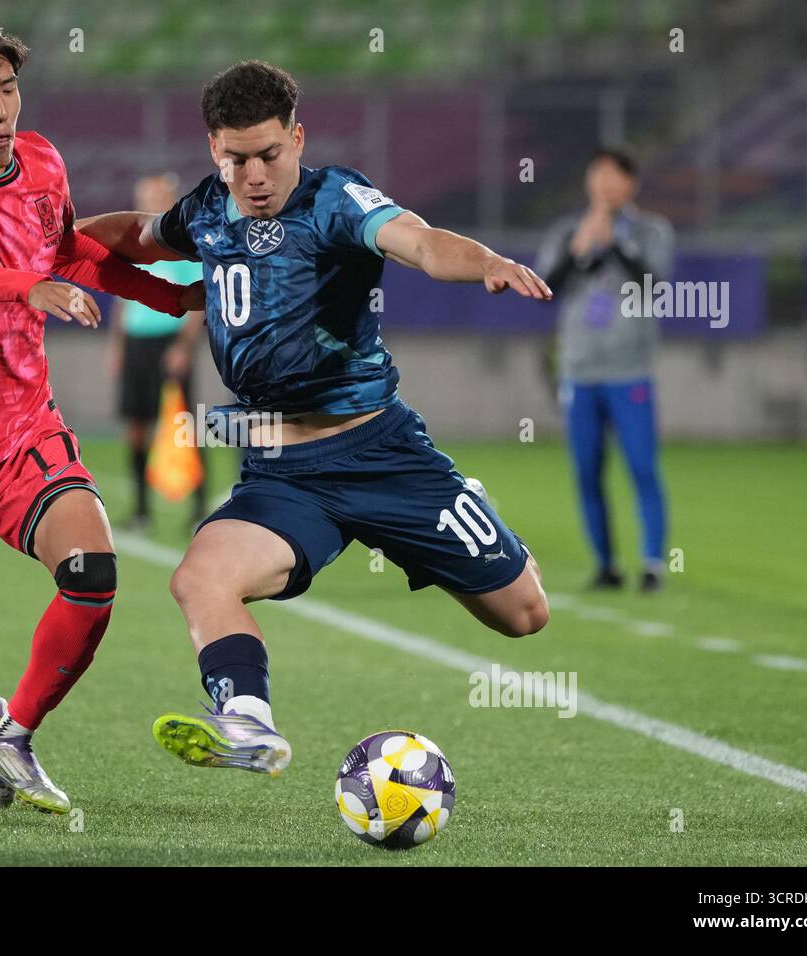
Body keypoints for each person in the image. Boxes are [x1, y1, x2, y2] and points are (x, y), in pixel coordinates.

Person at [79, 60, 550, 775]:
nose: (254, 175)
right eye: (236, 159)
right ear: (214, 149)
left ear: (297, 139)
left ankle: (467, 507)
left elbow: (422, 241)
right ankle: (247, 723)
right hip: (282, 469)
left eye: (269, 154)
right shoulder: (205, 209)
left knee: (523, 616)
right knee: (199, 578)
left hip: (381, 453)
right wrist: (52, 238)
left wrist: (484, 260)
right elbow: (141, 234)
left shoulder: (336, 199)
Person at [0, 12, 203, 812]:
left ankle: (16, 735)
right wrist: (26, 287)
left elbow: (70, 253)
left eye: (9, 88)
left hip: (24, 425)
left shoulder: (43, 163)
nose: (0, 109)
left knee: (92, 573)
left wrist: (175, 297)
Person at [535, 145, 674, 593]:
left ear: (631, 185)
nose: (604, 186)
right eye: (598, 176)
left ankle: (653, 564)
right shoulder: (566, 231)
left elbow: (654, 283)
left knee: (642, 466)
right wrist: (580, 250)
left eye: (614, 177)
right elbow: (546, 288)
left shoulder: (652, 230)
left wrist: (613, 242)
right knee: (587, 471)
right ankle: (606, 565)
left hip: (629, 370)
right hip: (579, 371)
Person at [108, 173, 208, 530]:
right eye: (144, 197)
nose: (148, 202)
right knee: (136, 427)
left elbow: (199, 300)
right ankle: (141, 511)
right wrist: (118, 347)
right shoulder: (134, 247)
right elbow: (123, 300)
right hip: (137, 345)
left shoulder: (184, 243)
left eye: (155, 197)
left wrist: (183, 347)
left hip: (169, 344)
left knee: (182, 425)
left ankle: (199, 509)